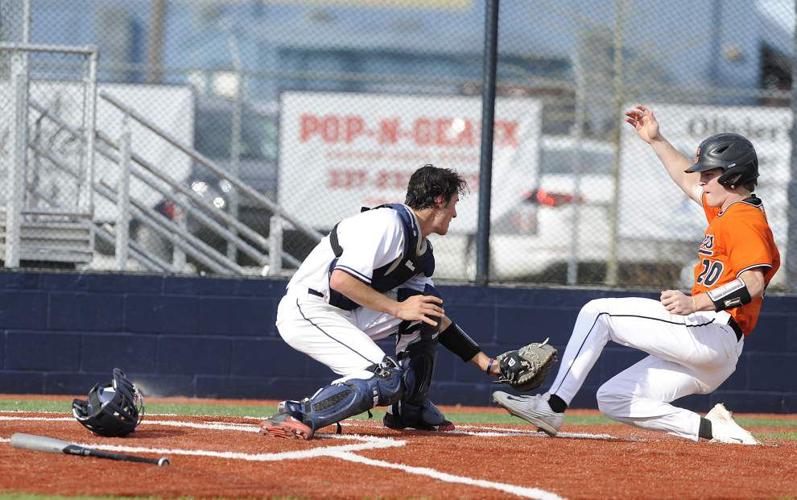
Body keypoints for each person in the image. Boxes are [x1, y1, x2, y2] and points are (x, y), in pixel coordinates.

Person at [493, 105, 780, 445]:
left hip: (712, 330)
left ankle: (552, 405)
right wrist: (656, 140)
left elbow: (753, 283)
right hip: (715, 352)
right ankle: (713, 429)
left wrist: (696, 302)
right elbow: (686, 179)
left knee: (597, 313)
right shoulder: (727, 209)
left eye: (710, 172)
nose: (701, 178)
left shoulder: (743, 219)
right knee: (615, 397)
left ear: (732, 175)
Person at [262, 164, 513, 440]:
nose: (455, 213)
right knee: (386, 378)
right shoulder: (387, 223)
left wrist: (487, 363)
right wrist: (397, 308)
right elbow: (341, 280)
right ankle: (299, 413)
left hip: (345, 312)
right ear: (439, 199)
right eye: (454, 203)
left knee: (427, 307)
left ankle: (410, 409)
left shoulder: (420, 248)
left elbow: (431, 315)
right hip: (308, 309)